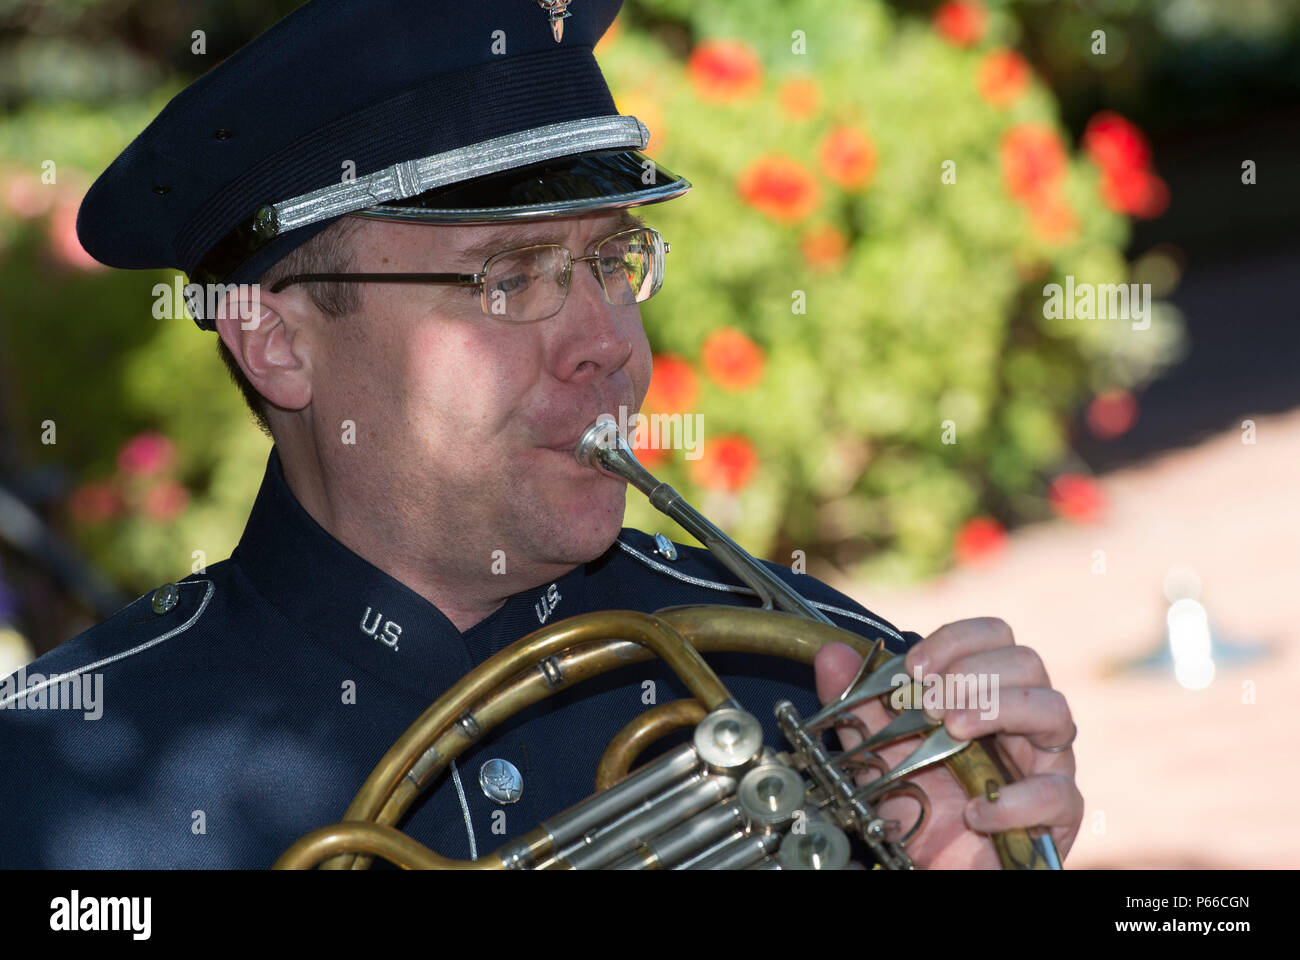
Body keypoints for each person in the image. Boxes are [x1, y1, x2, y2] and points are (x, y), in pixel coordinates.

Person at [0, 0, 1081, 869]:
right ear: (275, 340)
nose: (608, 343)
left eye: (611, 260)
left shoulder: (824, 686)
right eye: (506, 278)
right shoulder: (45, 786)